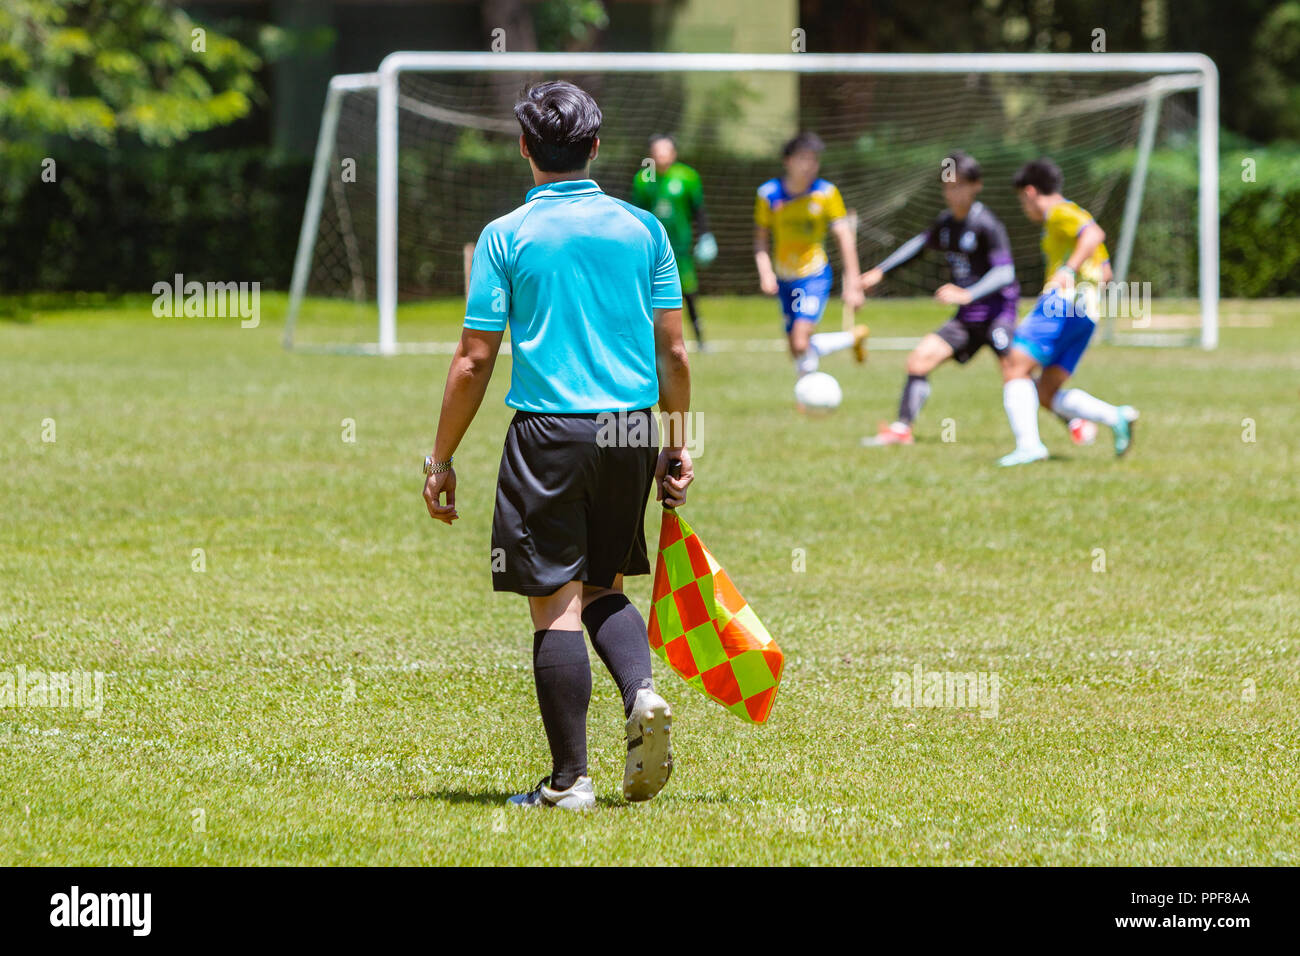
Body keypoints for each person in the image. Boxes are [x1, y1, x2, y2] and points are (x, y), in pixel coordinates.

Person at [421, 80, 694, 810]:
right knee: (605, 584)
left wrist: (440, 459)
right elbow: (675, 354)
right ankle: (640, 691)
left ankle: (569, 782)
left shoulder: (507, 236)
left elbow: (475, 360)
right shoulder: (645, 230)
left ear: (523, 148)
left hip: (551, 432)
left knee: (556, 602)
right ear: (598, 148)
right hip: (631, 428)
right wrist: (676, 441)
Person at [861, 151, 1020, 446]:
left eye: (959, 185)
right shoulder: (946, 223)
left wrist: (967, 293)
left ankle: (1074, 421)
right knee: (919, 360)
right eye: (947, 186)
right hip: (966, 319)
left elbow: (1005, 273)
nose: (952, 192)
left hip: (998, 315)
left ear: (976, 186)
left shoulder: (987, 224)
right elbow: (919, 245)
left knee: (1018, 373)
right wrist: (880, 271)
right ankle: (901, 430)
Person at [998, 157, 1139, 466]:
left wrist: (1066, 271)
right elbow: (1106, 272)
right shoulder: (1075, 213)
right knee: (1047, 392)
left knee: (1014, 367)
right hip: (1087, 313)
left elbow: (1094, 235)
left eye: (1023, 200)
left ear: (1031, 191)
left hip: (1063, 303)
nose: (1025, 208)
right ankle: (1115, 417)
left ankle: (1029, 446)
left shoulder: (1059, 213)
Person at [753, 132, 868, 379]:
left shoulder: (826, 193)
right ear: (788, 161)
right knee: (795, 348)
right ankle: (849, 341)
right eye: (803, 158)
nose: (809, 165)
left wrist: (854, 285)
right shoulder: (768, 194)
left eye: (814, 159)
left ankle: (812, 391)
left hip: (813, 275)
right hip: (784, 277)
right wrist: (765, 272)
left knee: (801, 341)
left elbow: (845, 238)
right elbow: (761, 239)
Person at [630, 134, 715, 347]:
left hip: (680, 248)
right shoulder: (645, 177)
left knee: (688, 291)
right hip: (652, 249)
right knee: (648, 294)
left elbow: (698, 210)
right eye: (657, 151)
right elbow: (636, 212)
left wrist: (705, 236)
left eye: (665, 150)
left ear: (674, 153)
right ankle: (648, 340)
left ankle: (700, 338)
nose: (661, 155)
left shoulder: (687, 177)